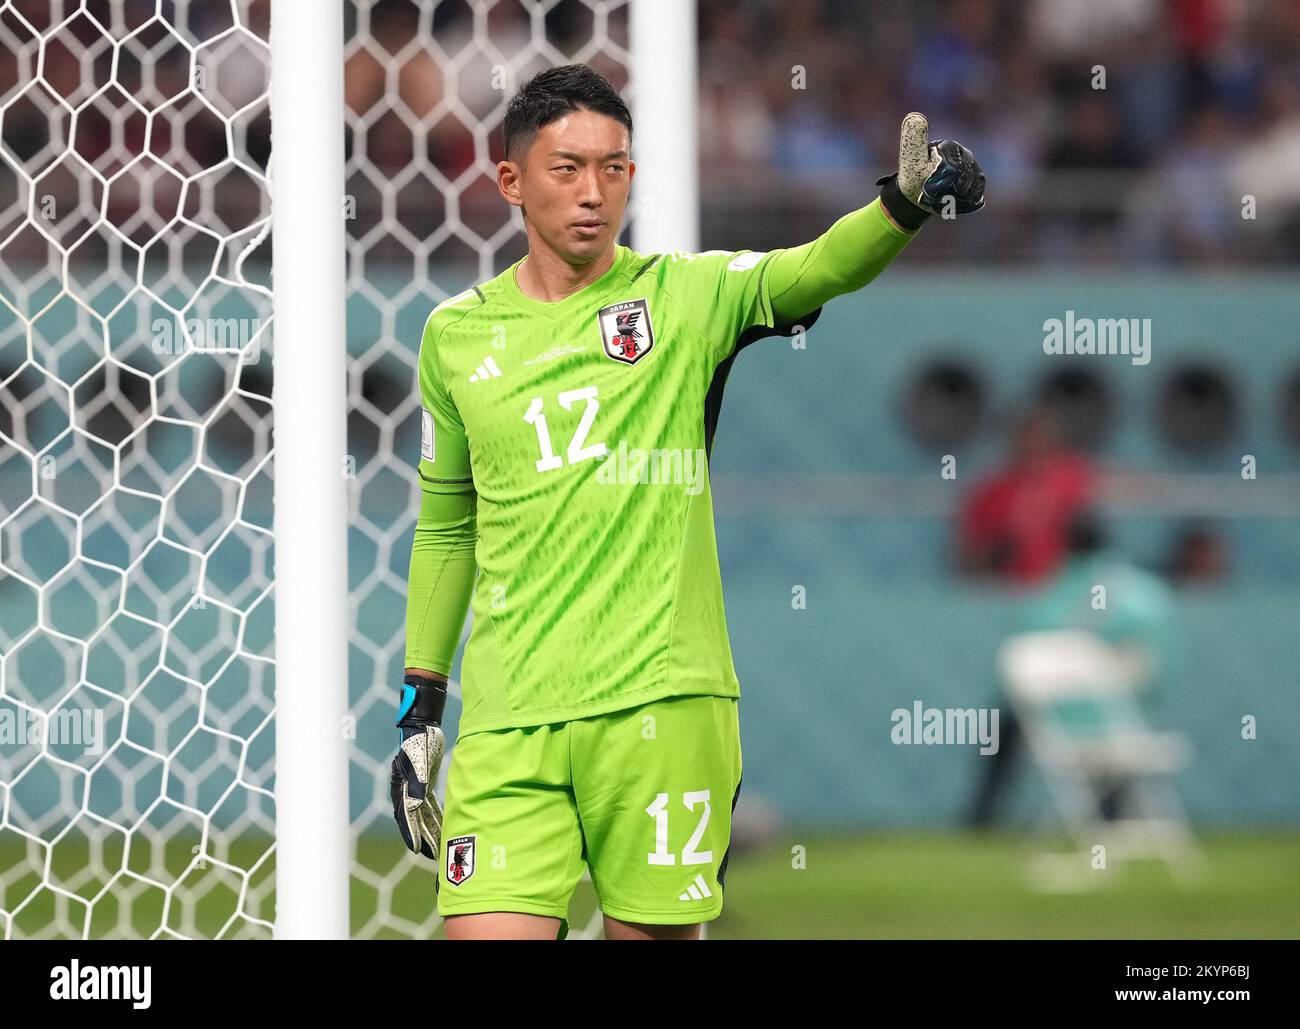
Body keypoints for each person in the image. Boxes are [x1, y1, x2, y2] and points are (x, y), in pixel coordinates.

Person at [391, 64, 985, 940]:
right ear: (511, 180)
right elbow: (448, 528)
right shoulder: (455, 336)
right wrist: (421, 708)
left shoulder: (687, 298)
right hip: (510, 720)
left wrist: (900, 205)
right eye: (567, 168)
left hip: (663, 709)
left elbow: (814, 269)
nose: (595, 192)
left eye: (615, 167)